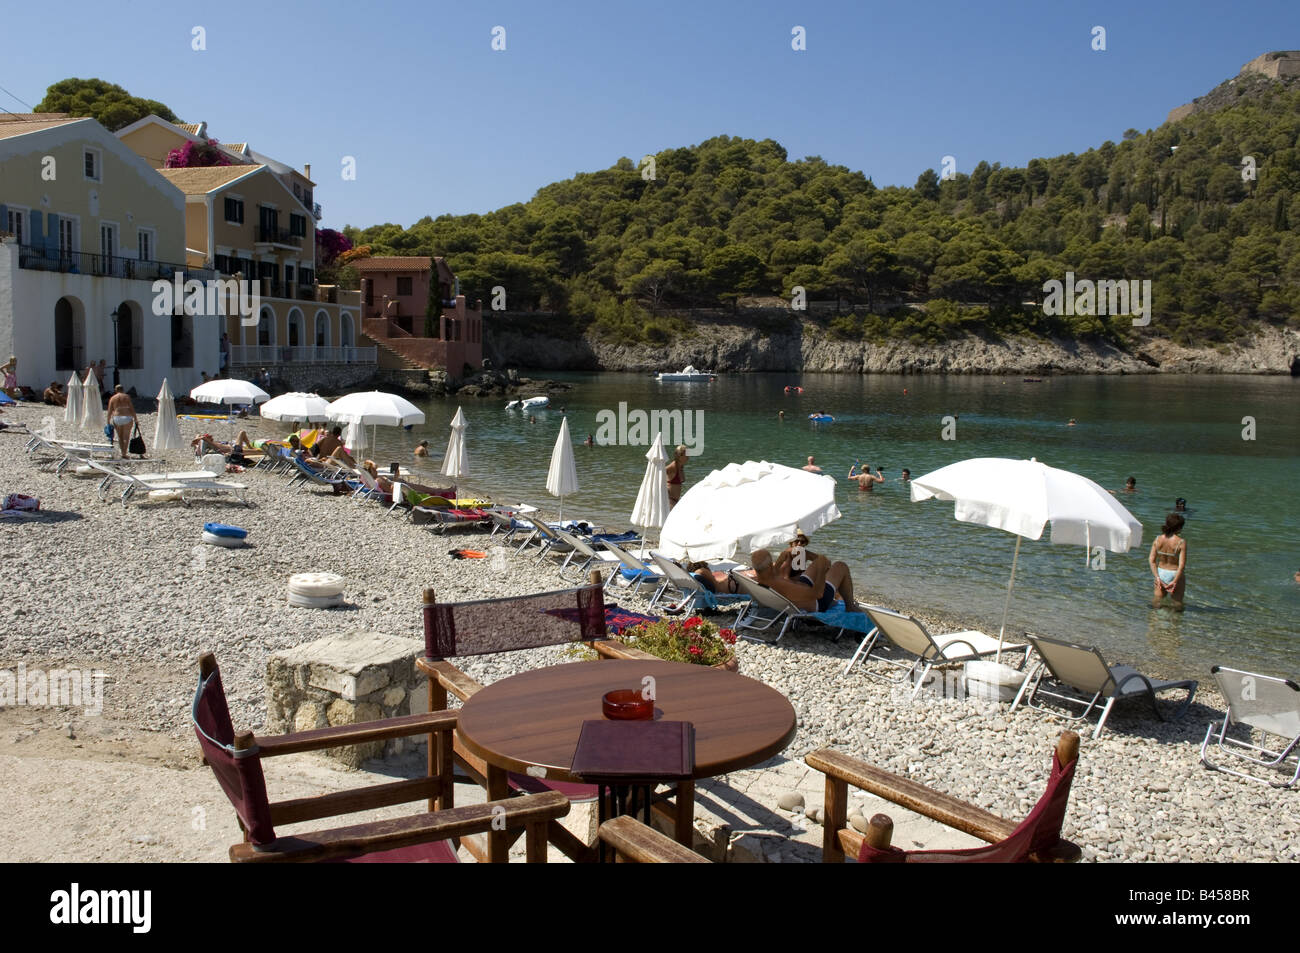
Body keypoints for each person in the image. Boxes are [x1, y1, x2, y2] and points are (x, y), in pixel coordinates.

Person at [750, 546, 860, 614]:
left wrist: (780, 560)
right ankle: (850, 606)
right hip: (817, 602)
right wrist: (822, 571)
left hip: (800, 590)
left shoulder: (759, 579)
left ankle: (824, 564)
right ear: (770, 565)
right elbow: (818, 593)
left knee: (816, 560)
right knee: (840, 566)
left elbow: (771, 573)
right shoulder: (781, 585)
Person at [1149, 512, 1187, 609]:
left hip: (1161, 573)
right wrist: (1174, 581)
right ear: (1179, 527)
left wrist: (1157, 577)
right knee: (1177, 603)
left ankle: (1154, 618)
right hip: (1175, 573)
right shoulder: (1181, 542)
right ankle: (1175, 618)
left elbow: (1152, 560)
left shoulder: (1157, 539)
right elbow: (1181, 565)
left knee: (1157, 601)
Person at [105, 385, 138, 457]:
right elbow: (131, 408)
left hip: (117, 418)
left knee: (120, 436)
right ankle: (124, 453)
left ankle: (122, 452)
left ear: (115, 390)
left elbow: (109, 411)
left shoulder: (113, 398)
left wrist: (108, 421)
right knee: (126, 436)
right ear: (123, 389)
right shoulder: (126, 397)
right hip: (127, 417)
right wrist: (135, 419)